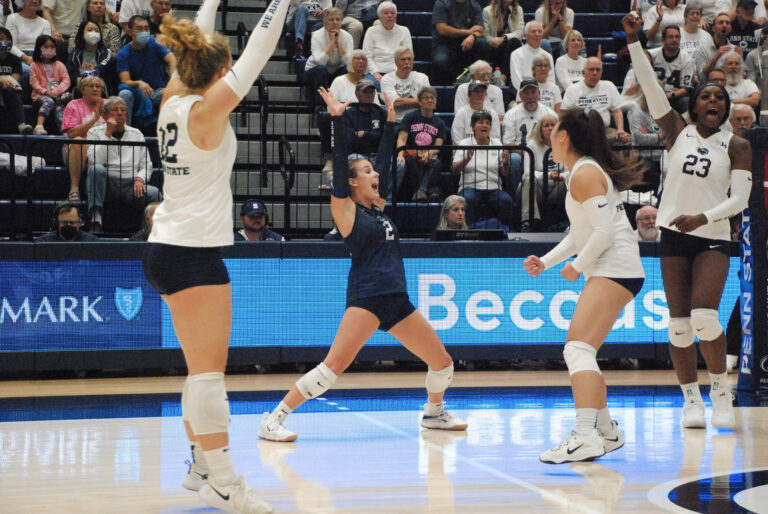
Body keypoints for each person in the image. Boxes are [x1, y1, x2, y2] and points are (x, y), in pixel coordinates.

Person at [142, 0, 289, 508]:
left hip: (165, 248)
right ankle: (227, 486)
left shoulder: (173, 101)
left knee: (198, 370)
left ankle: (201, 468)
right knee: (208, 376)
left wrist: (210, 3)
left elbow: (199, 47)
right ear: (219, 71)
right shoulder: (206, 111)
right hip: (191, 255)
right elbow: (260, 49)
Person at [258, 87, 467, 443]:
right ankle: (274, 419)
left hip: (396, 299)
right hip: (368, 297)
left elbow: (385, 161)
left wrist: (390, 120)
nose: (375, 176)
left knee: (443, 363)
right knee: (330, 370)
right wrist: (338, 120)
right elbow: (342, 167)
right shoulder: (346, 210)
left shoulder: (377, 208)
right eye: (366, 172)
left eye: (374, 172)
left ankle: (433, 413)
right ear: (352, 183)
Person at [625, 12, 752, 429]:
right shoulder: (677, 131)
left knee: (705, 318)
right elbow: (649, 87)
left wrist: (703, 217)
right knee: (679, 326)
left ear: (727, 107)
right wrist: (633, 43)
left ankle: (720, 390)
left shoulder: (737, 145)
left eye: (720, 98)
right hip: (673, 236)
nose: (713, 102)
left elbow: (741, 199)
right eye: (706, 97)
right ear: (694, 103)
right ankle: (690, 400)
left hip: (713, 237)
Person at [523, 107, 646, 463]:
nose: (549, 135)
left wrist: (577, 268)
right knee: (582, 350)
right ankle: (605, 430)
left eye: (553, 130)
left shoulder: (585, 173)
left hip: (616, 267)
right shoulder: (583, 171)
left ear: (563, 136)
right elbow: (584, 234)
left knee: (577, 349)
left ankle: (584, 435)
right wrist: (546, 262)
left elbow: (605, 234)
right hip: (616, 268)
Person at [85, 96, 161, 233]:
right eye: (115, 110)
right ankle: (95, 219)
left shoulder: (136, 134)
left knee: (154, 192)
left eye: (123, 110)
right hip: (107, 185)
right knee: (96, 169)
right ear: (106, 114)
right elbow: (94, 160)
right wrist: (107, 134)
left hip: (130, 185)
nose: (120, 113)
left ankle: (146, 232)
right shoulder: (94, 132)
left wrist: (140, 179)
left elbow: (146, 164)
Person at [451, 109, 513, 229]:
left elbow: (505, 173)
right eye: (480, 122)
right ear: (473, 127)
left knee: (506, 200)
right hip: (469, 187)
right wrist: (467, 159)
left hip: (493, 188)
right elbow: (454, 170)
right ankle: (466, 232)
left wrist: (505, 163)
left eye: (487, 123)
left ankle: (505, 233)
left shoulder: (497, 143)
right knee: (468, 198)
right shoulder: (464, 143)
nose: (484, 125)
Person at [117, 15, 176, 127]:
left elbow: (172, 59)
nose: (144, 32)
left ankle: (165, 137)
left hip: (157, 91)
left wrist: (171, 85)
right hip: (136, 93)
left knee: (168, 94)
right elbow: (125, 81)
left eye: (146, 28)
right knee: (124, 94)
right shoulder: (123, 54)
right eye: (139, 28)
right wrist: (139, 83)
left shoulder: (155, 43)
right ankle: (126, 133)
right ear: (130, 32)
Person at [503, 77, 557, 200]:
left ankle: (548, 198)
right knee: (514, 160)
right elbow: (508, 143)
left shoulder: (550, 113)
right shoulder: (511, 114)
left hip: (545, 153)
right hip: (520, 153)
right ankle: (515, 199)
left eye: (533, 92)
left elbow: (556, 140)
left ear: (539, 93)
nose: (530, 96)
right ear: (521, 95)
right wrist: (527, 153)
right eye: (526, 93)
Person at [394, 86, 446, 202]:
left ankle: (421, 190)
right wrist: (400, 154)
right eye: (426, 98)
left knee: (436, 163)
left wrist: (429, 153)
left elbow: (438, 146)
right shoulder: (410, 117)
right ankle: (432, 190)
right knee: (412, 162)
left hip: (429, 155)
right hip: (412, 153)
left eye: (432, 98)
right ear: (419, 102)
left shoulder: (439, 123)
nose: (430, 100)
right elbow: (402, 139)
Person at [561, 57, 631, 143]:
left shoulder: (609, 86)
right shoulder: (572, 89)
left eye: (598, 70)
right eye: (591, 70)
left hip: (605, 131)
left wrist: (620, 129)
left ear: (601, 72)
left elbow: (617, 111)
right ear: (583, 73)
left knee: (627, 141)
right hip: (582, 132)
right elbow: (564, 114)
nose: (595, 73)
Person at [61, 75, 106, 201]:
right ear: (82, 90)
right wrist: (94, 120)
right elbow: (71, 134)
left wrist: (107, 118)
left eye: (98, 86)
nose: (95, 89)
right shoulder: (73, 105)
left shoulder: (107, 105)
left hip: (102, 149)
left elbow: (119, 129)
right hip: (75, 150)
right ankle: (74, 187)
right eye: (91, 86)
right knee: (79, 140)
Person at [519, 113, 567, 232]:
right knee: (528, 180)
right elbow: (527, 172)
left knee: (572, 180)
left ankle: (571, 223)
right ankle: (528, 222)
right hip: (537, 187)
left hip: (558, 186)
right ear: (540, 129)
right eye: (546, 126)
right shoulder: (532, 144)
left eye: (553, 125)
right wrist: (548, 175)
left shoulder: (565, 144)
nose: (550, 128)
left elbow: (570, 170)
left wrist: (562, 176)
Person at [431, 0, 490, 85]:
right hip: (445, 44)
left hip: (467, 44)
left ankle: (480, 84)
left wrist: (472, 36)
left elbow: (479, 30)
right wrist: (468, 32)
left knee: (483, 44)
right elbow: (442, 29)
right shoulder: (441, 3)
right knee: (440, 61)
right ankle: (446, 90)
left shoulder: (474, 4)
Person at [303, 8, 353, 107]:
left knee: (346, 72)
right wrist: (331, 42)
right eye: (331, 20)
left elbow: (348, 62)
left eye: (338, 20)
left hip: (335, 71)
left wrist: (338, 42)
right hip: (314, 70)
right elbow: (320, 62)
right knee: (321, 70)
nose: (335, 22)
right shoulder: (316, 36)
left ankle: (343, 106)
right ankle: (321, 107)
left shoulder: (347, 37)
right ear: (324, 23)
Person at [29, 34, 72, 135]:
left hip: (57, 96)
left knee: (59, 108)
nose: (50, 49)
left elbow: (66, 80)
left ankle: (64, 131)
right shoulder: (34, 65)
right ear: (39, 48)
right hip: (41, 95)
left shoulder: (59, 65)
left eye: (52, 47)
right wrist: (46, 92)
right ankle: (39, 126)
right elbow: (34, 83)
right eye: (46, 47)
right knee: (49, 101)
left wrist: (56, 92)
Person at [361, 2, 412, 83]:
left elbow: (408, 56)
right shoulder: (371, 31)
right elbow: (367, 56)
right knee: (368, 84)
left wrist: (395, 74)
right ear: (379, 18)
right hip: (375, 72)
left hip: (397, 72)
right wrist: (375, 73)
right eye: (386, 13)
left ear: (396, 16)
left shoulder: (404, 31)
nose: (390, 15)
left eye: (392, 13)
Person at [649, 26, 695, 114]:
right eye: (670, 37)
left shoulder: (687, 59)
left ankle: (687, 127)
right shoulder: (651, 55)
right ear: (663, 40)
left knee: (687, 102)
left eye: (677, 37)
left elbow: (686, 88)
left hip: (675, 96)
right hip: (654, 95)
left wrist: (669, 95)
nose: (674, 40)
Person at [380, 47, 431, 122]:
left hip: (419, 121)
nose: (407, 62)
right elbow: (395, 103)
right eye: (403, 59)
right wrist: (419, 101)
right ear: (396, 62)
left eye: (409, 59)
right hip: (397, 122)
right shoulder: (387, 79)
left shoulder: (422, 78)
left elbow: (428, 101)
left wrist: (402, 100)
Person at [66, 20, 114, 94]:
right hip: (80, 89)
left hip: (101, 89)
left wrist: (87, 77)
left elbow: (101, 69)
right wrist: (81, 81)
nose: (93, 33)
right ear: (82, 34)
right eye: (90, 30)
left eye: (97, 31)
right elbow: (73, 74)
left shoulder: (106, 52)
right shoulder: (74, 53)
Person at [482, 0, 524, 84]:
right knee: (506, 46)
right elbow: (485, 35)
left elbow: (520, 32)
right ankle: (503, 78)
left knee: (514, 42)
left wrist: (504, 38)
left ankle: (503, 77)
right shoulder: (487, 11)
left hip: (512, 46)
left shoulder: (518, 9)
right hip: (494, 46)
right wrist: (495, 41)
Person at [0, 28, 32, 135]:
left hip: (8, 88)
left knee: (12, 91)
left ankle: (21, 124)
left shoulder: (15, 59)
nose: (4, 42)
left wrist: (7, 82)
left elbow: (14, 80)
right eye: (1, 39)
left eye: (8, 39)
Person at [509, 21, 555, 93]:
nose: (537, 34)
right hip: (524, 94)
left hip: (545, 95)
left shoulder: (548, 56)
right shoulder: (516, 54)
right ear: (525, 35)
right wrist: (532, 94)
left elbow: (551, 81)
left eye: (539, 31)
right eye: (533, 31)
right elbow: (517, 81)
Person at [5, 0, 51, 71]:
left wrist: (36, 59)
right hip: (18, 57)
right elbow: (11, 45)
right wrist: (26, 58)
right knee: (31, 71)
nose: (34, 1)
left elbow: (47, 47)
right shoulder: (12, 19)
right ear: (22, 1)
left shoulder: (45, 23)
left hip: (39, 58)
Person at [694, 12, 737, 80]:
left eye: (727, 23)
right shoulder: (702, 49)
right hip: (709, 86)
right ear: (713, 28)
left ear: (730, 29)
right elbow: (701, 76)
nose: (724, 25)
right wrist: (716, 57)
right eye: (721, 23)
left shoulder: (734, 49)